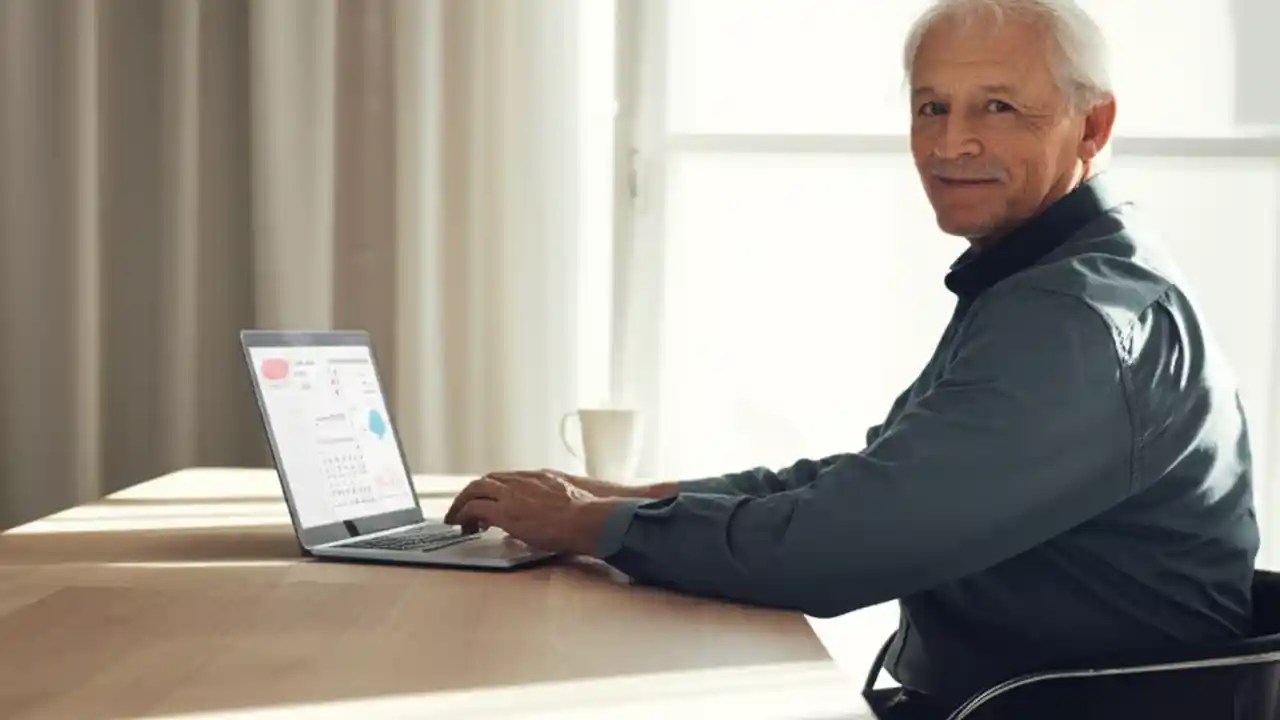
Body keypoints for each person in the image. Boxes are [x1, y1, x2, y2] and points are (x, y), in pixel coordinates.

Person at [446, 0, 1259, 716]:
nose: (952, 142)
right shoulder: (1062, 275)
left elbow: (833, 550)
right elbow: (874, 485)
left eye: (1000, 106)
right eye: (931, 107)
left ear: (1093, 126)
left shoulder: (1071, 319)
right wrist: (629, 498)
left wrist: (592, 525)